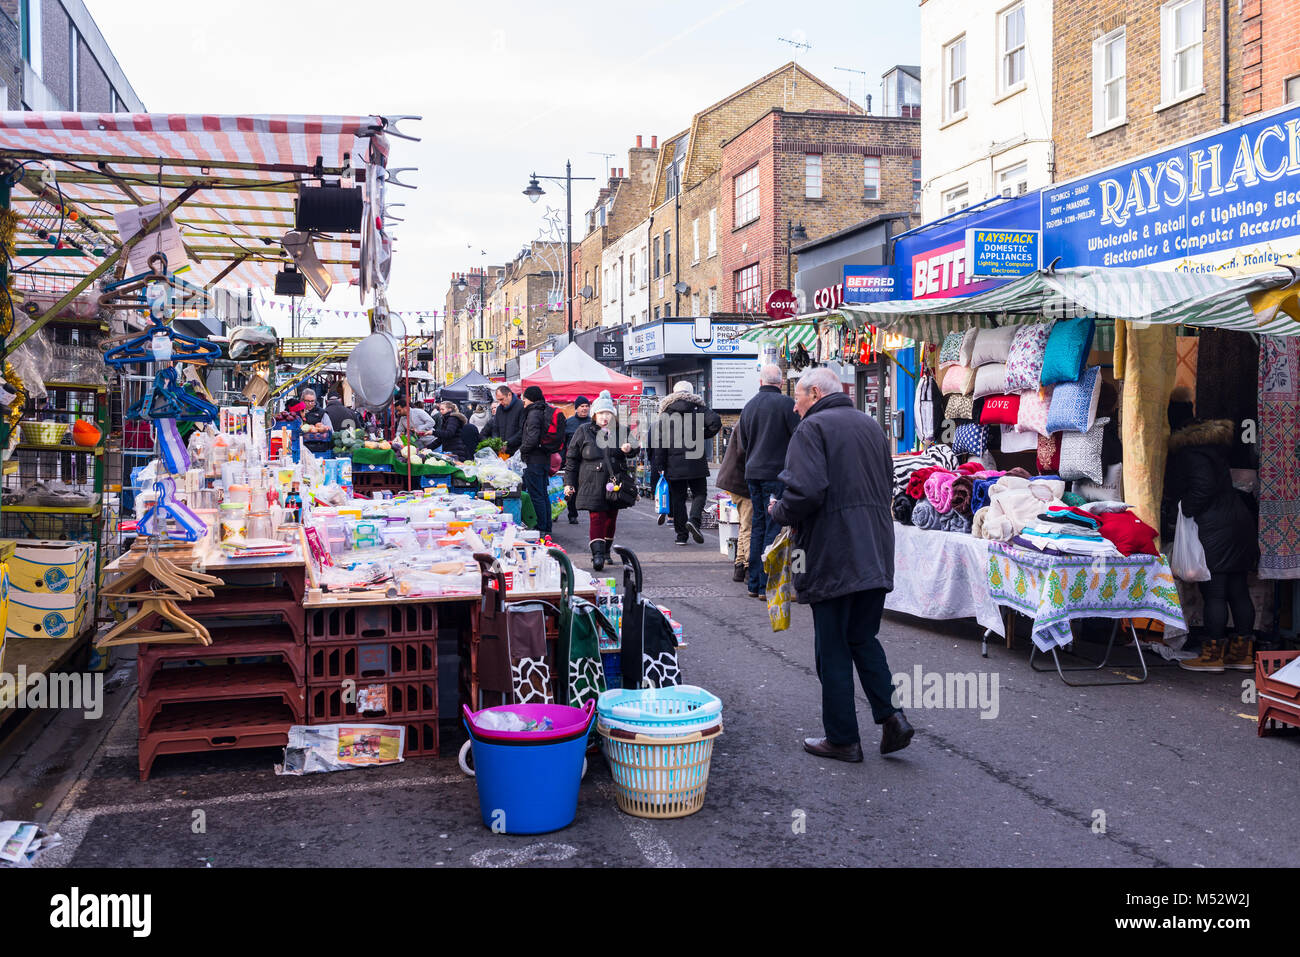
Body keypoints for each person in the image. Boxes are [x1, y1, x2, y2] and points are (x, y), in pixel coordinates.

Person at [770, 367, 913, 763]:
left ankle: (842, 738)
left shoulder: (811, 430)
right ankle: (892, 717)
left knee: (831, 646)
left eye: (797, 397)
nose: (794, 407)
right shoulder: (870, 426)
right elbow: (886, 483)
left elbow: (805, 492)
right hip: (874, 548)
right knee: (862, 638)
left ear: (814, 393)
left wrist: (778, 510)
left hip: (833, 551)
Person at [1165, 403, 1259, 673]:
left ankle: (1213, 655)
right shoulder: (1214, 448)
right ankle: (1242, 653)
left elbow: (1203, 487)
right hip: (1237, 521)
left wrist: (1187, 508)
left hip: (1215, 527)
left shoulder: (1189, 452)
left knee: (1215, 593)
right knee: (1237, 589)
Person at [736, 364, 801, 598]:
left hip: (753, 472)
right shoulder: (787, 405)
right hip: (777, 474)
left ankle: (754, 583)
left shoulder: (749, 406)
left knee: (758, 526)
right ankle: (767, 586)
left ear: (761, 382)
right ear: (781, 383)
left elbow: (742, 442)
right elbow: (799, 437)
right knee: (775, 527)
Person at [565, 391, 636, 571]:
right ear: (594, 415)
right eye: (601, 413)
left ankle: (605, 551)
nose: (605, 417)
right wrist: (569, 483)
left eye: (608, 413)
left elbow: (635, 448)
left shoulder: (621, 431)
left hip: (615, 482)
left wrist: (629, 448)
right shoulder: (583, 431)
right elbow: (572, 459)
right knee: (596, 517)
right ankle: (597, 555)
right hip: (591, 481)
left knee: (611, 518)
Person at [652, 382, 722, 546]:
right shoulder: (698, 408)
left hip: (673, 462)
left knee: (678, 498)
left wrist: (660, 465)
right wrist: (701, 435)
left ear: (673, 393)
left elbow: (659, 443)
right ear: (691, 392)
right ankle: (694, 520)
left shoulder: (665, 413)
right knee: (700, 493)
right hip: (695, 461)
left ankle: (681, 535)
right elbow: (716, 422)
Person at [519, 386, 564, 536]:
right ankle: (546, 526)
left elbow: (532, 438)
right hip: (544, 458)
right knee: (543, 494)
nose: (523, 401)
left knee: (536, 495)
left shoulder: (534, 413)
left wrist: (522, 450)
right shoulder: (544, 410)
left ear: (530, 397)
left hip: (534, 460)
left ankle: (541, 528)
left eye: (524, 398)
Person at [715, 427, 752, 584]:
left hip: (733, 481)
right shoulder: (746, 426)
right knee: (748, 526)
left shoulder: (743, 423)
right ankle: (749, 567)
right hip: (740, 481)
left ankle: (739, 566)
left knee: (745, 524)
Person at [563, 396, 592, 525]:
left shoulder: (593, 423)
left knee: (591, 487)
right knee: (572, 487)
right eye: (582, 406)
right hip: (573, 460)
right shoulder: (569, 423)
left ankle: (594, 512)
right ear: (576, 408)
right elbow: (563, 442)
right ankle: (572, 514)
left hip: (589, 461)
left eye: (587, 406)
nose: (585, 408)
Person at [481, 386, 525, 456]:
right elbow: (495, 429)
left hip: (516, 452)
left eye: (502, 399)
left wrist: (508, 443)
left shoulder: (521, 406)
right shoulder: (499, 409)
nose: (500, 402)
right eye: (498, 400)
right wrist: (497, 443)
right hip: (501, 452)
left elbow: (522, 431)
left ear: (509, 395)